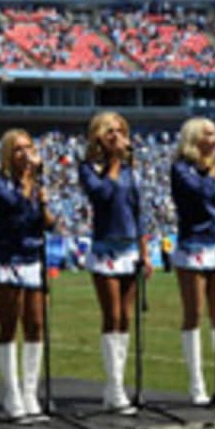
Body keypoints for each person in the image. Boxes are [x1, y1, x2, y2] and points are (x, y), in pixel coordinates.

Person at [79, 111, 152, 413]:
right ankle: (114, 384)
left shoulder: (131, 172)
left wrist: (145, 253)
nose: (117, 136)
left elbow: (139, 212)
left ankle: (116, 386)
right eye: (110, 132)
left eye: (120, 131)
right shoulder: (90, 168)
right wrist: (114, 162)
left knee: (125, 317)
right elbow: (101, 196)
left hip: (129, 249)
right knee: (112, 315)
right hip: (106, 249)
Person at [170, 117, 215, 405]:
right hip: (191, 245)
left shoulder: (210, 167)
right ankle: (196, 383)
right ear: (194, 137)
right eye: (209, 134)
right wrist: (214, 165)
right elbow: (199, 195)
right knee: (194, 314)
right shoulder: (181, 168)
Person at [0, 129, 56, 421]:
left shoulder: (36, 185)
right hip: (7, 259)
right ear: (7, 154)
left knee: (36, 324)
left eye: (29, 148)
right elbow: (13, 208)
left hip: (33, 257)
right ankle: (12, 391)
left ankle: (30, 391)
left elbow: (48, 223)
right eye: (18, 150)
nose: (25, 154)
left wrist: (44, 201)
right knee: (8, 325)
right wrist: (30, 180)